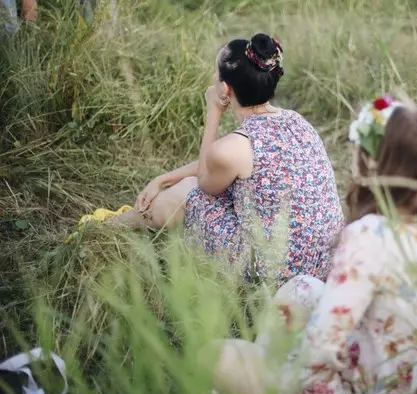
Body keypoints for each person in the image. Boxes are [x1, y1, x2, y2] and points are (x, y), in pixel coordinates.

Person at [210, 94, 417, 394]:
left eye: (357, 147)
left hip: (366, 390)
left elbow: (322, 346)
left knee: (218, 354)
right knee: (302, 287)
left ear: (373, 162)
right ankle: (264, 360)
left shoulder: (368, 235)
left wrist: (279, 376)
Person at [109, 33, 344, 285]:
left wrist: (213, 111)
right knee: (222, 187)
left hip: (273, 273)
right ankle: (131, 220)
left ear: (224, 89)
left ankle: (117, 225)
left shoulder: (235, 146)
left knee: (190, 193)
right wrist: (163, 178)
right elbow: (222, 164)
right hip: (324, 262)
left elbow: (204, 180)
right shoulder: (297, 121)